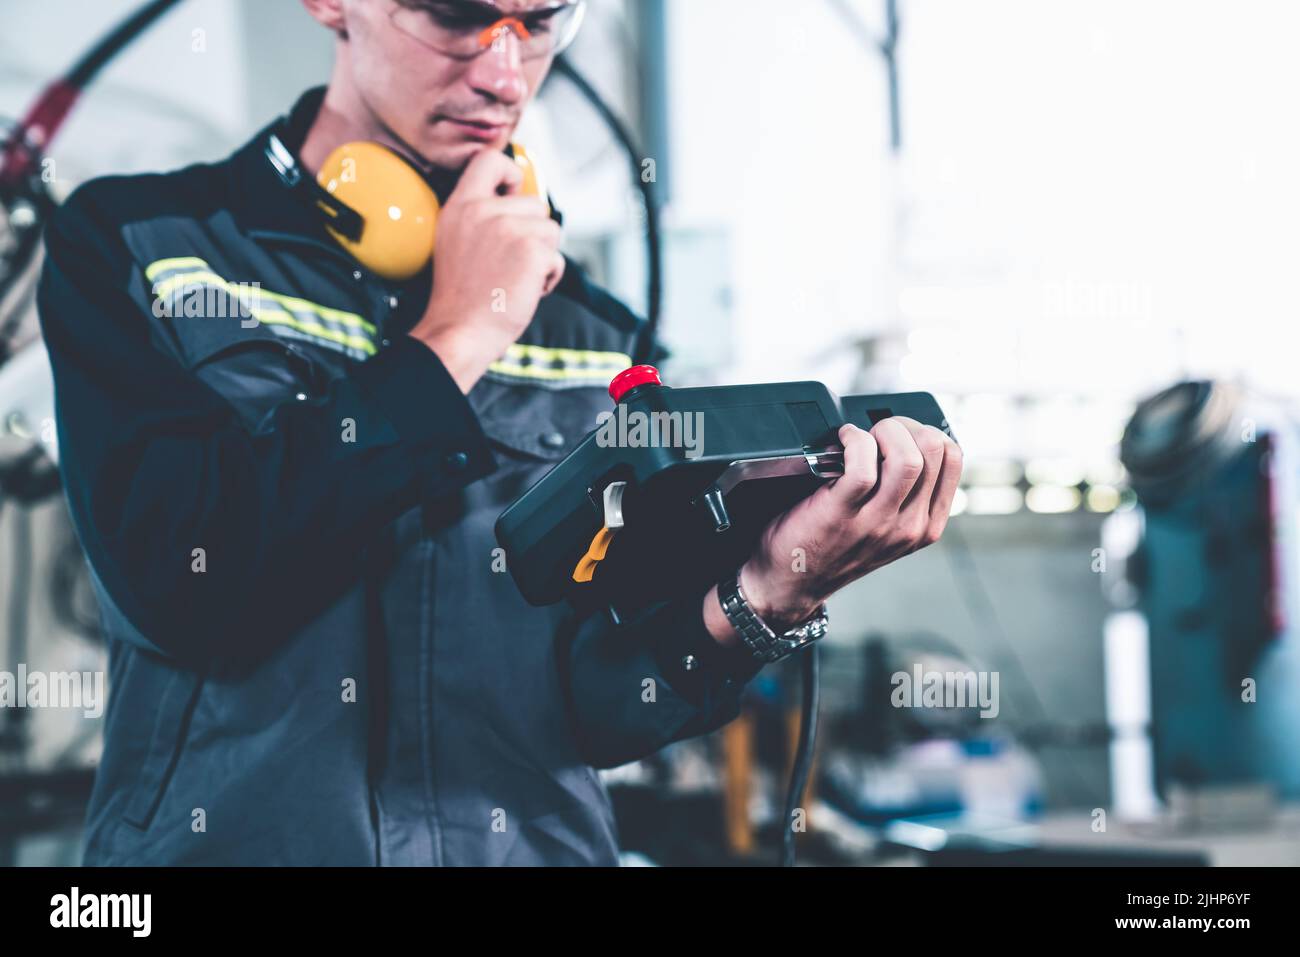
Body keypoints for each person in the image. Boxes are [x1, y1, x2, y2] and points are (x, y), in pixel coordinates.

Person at [36, 0, 961, 865]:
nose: (507, 76)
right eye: (458, 16)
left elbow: (599, 705)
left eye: (543, 19)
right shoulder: (137, 246)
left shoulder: (594, 332)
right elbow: (182, 575)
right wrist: (459, 336)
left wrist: (769, 588)